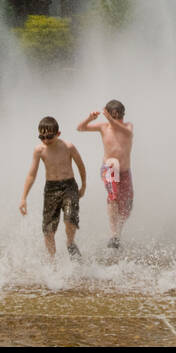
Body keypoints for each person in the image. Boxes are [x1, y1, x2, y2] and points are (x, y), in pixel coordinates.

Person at [19, 116, 86, 258]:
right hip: (51, 188)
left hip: (69, 186)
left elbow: (81, 166)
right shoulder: (39, 150)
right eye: (41, 136)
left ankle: (70, 243)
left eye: (49, 136)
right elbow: (31, 175)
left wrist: (83, 186)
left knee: (70, 218)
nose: (45, 140)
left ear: (58, 134)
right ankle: (52, 260)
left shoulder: (68, 146)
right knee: (48, 229)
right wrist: (23, 198)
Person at [77, 99, 134, 248]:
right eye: (113, 116)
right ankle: (113, 233)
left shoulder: (128, 127)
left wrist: (110, 119)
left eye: (119, 115)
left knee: (126, 207)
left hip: (125, 172)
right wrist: (90, 118)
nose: (117, 119)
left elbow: (124, 131)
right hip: (109, 167)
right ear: (108, 115)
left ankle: (117, 236)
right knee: (113, 195)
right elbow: (80, 128)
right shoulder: (104, 127)